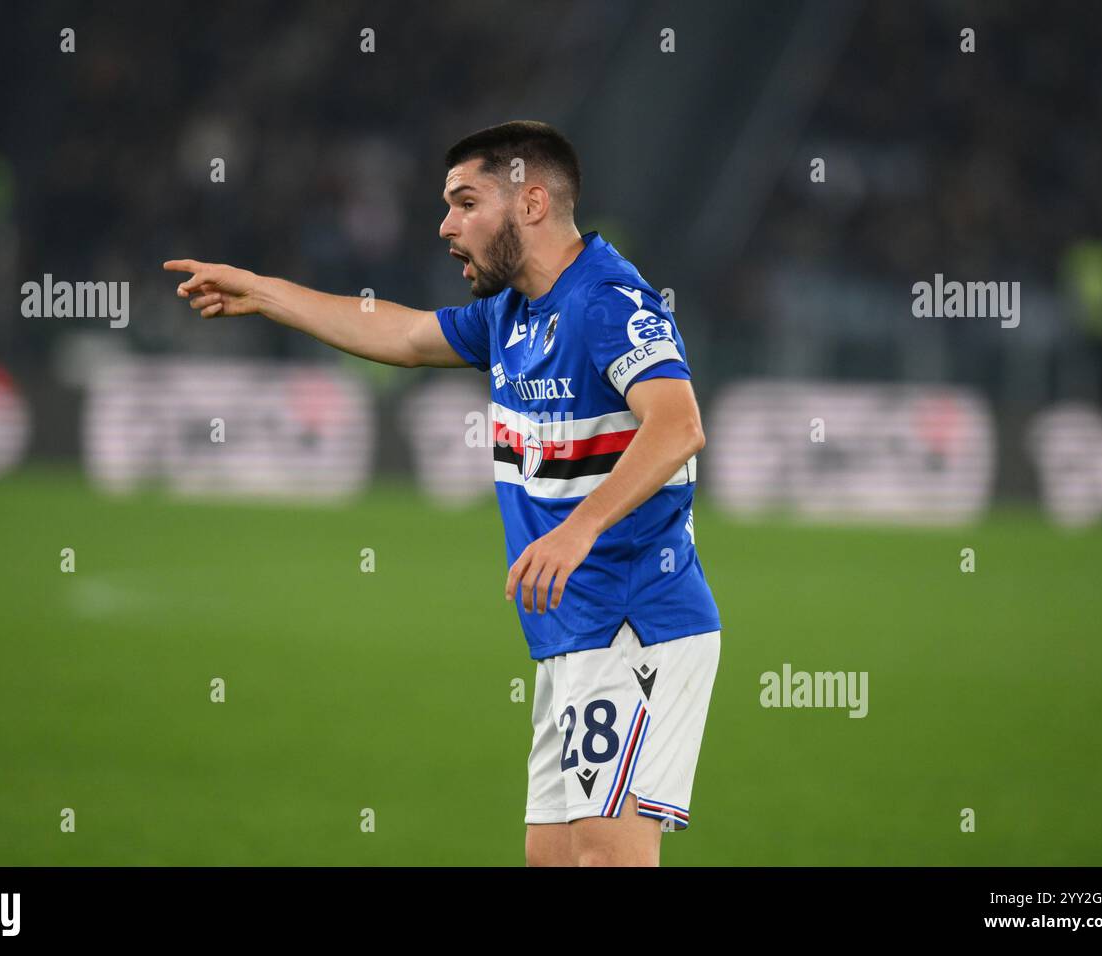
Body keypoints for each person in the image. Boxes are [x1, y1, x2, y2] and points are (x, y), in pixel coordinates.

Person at [163, 120, 722, 867]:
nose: (445, 226)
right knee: (554, 861)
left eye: (465, 203)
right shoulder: (513, 312)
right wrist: (263, 292)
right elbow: (402, 334)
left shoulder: (606, 301)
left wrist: (577, 529)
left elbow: (679, 424)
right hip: (571, 629)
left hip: (633, 618)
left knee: (606, 861)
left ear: (529, 203)